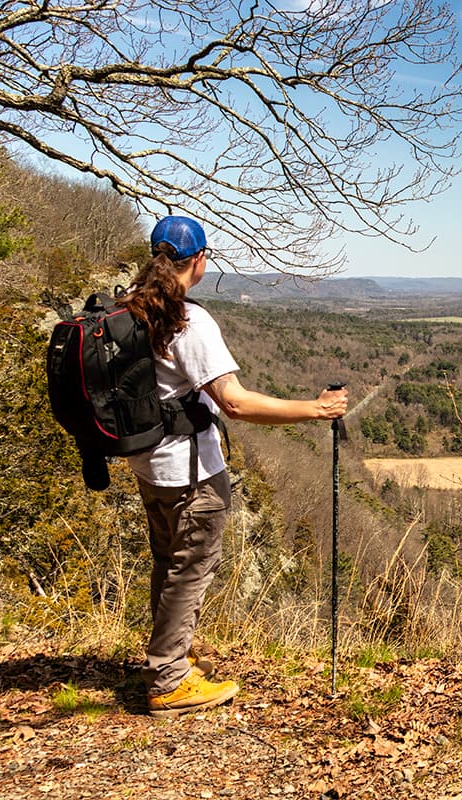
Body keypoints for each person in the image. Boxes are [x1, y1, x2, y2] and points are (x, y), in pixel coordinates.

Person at [119, 215, 348, 718]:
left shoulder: (130, 305)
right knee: (191, 567)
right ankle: (169, 680)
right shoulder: (187, 320)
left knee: (169, 561)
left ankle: (169, 661)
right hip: (189, 472)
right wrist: (317, 409)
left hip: (149, 464)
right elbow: (236, 403)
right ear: (199, 260)